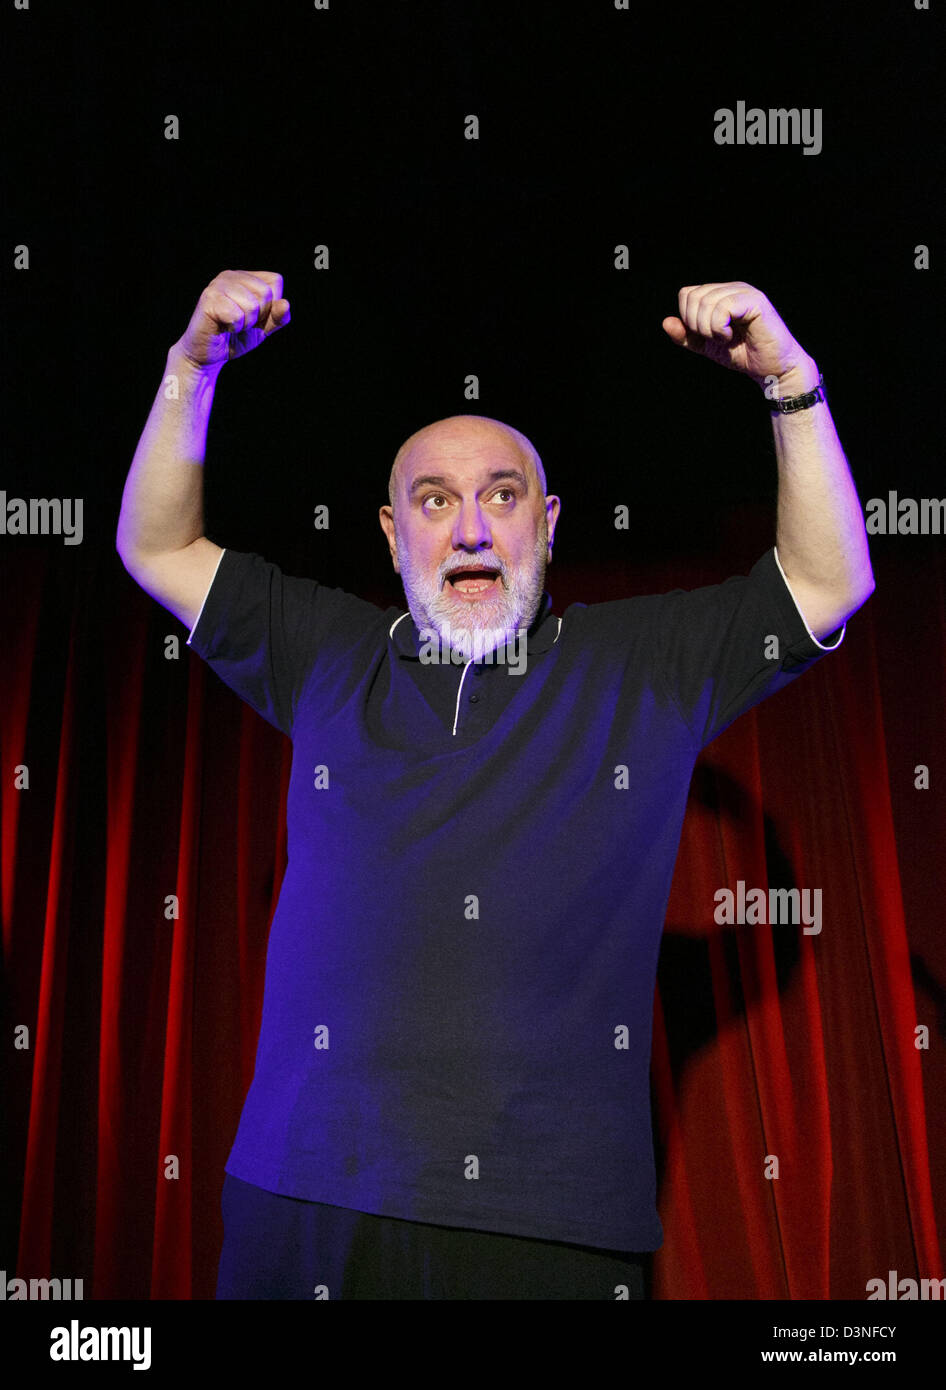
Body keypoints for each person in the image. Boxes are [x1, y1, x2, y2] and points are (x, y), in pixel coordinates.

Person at [116, 270, 874, 1300]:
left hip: (543, 1230)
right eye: (434, 502)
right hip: (301, 1204)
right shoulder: (329, 651)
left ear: (547, 523)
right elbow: (155, 544)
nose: (469, 529)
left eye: (500, 497)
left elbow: (828, 580)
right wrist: (190, 369)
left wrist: (789, 379)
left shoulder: (638, 666)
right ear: (392, 535)